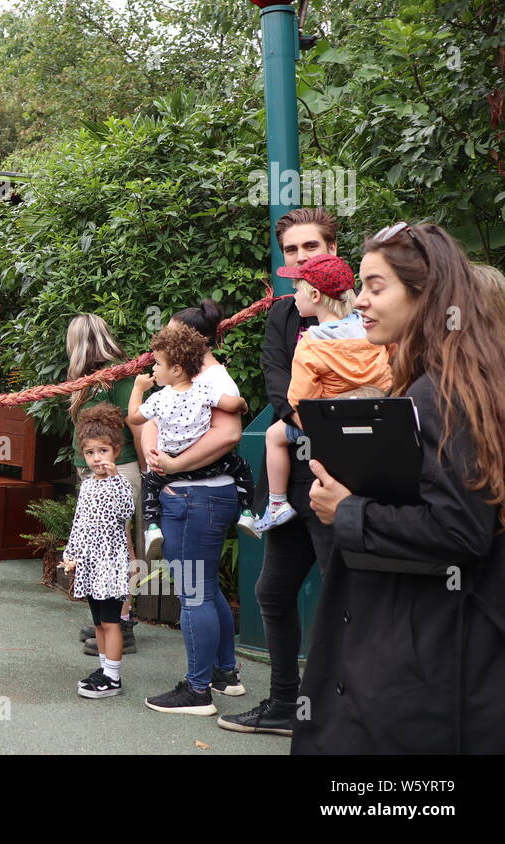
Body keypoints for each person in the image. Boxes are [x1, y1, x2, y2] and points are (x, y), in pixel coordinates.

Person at [294, 222, 505, 753]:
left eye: (375, 286)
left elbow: (460, 529)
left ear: (426, 293)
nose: (359, 300)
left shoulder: (441, 396)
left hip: (425, 659)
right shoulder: (457, 383)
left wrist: (347, 511)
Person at [219, 208, 340, 737]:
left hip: (345, 480)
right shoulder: (283, 314)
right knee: (272, 590)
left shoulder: (361, 310)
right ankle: (285, 705)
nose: (300, 257)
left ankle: (344, 711)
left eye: (310, 247)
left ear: (332, 249)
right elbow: (276, 381)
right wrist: (304, 420)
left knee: (347, 599)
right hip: (293, 474)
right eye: (291, 250)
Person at [137, 302, 248, 713]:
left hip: (195, 496)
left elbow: (229, 434)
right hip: (188, 494)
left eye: (171, 333)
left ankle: (197, 690)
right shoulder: (188, 377)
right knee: (205, 587)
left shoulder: (216, 381)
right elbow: (156, 414)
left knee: (193, 593)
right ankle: (223, 672)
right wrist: (154, 451)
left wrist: (175, 465)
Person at [254, 254, 391, 534]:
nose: (293, 297)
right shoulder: (368, 330)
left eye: (297, 290)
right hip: (371, 417)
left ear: (314, 294)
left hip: (329, 421)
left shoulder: (312, 342)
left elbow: (299, 399)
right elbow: (387, 375)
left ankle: (277, 503)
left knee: (273, 436)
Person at [129, 322, 253, 560]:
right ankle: (247, 511)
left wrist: (137, 388)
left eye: (157, 364)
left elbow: (135, 417)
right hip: (207, 467)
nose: (153, 369)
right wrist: (242, 404)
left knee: (150, 485)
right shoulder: (205, 390)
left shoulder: (159, 398)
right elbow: (231, 404)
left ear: (176, 370)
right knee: (242, 467)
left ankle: (152, 527)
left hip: (172, 468)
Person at [61, 313, 145, 654]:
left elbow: (137, 427)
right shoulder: (85, 381)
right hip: (92, 472)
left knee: (119, 547)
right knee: (100, 546)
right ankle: (109, 617)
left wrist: (149, 473)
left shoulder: (121, 379)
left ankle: (122, 624)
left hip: (119, 471)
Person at [61, 404, 135, 698]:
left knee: (111, 621)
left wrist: (116, 479)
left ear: (115, 450)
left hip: (111, 564)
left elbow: (126, 511)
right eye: (90, 453)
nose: (96, 458)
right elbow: (80, 523)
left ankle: (113, 678)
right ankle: (104, 670)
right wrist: (71, 553)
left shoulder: (121, 483)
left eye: (103, 451)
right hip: (90, 563)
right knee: (98, 624)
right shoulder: (88, 485)